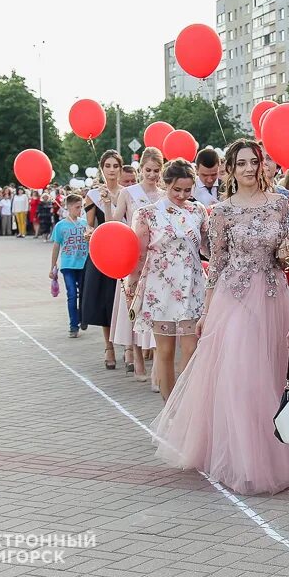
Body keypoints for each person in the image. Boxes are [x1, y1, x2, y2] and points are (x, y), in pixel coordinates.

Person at [151, 140, 289, 495]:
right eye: (241, 163)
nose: (248, 168)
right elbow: (217, 264)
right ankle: (244, 458)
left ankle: (277, 449)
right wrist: (207, 311)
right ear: (230, 169)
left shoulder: (279, 203)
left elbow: (282, 257)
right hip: (235, 299)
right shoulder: (221, 212)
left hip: (274, 296)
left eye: (253, 162)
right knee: (242, 375)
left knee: (272, 375)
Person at [126, 159, 209, 402]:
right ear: (166, 184)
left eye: (187, 190)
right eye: (176, 189)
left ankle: (184, 404)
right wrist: (132, 287)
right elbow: (139, 255)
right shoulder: (148, 214)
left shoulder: (198, 211)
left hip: (192, 285)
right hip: (160, 288)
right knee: (164, 350)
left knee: (192, 348)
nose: (182, 195)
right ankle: (168, 406)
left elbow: (207, 248)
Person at [111, 148, 165, 379]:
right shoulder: (128, 193)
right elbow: (116, 223)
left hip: (157, 260)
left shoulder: (165, 194)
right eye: (148, 170)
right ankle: (137, 359)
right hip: (133, 259)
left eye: (156, 170)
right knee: (133, 308)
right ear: (141, 168)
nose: (152, 174)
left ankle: (157, 369)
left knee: (156, 309)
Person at [80, 150, 124, 369]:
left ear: (121, 168)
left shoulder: (127, 193)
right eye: (108, 166)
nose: (112, 170)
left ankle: (130, 348)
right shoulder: (93, 195)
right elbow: (89, 224)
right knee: (105, 300)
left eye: (115, 166)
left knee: (123, 300)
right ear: (102, 168)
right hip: (103, 253)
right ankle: (109, 347)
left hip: (124, 252)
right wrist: (90, 233)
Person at [49, 194, 89, 338]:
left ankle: (83, 317)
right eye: (77, 207)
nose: (80, 210)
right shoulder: (60, 226)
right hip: (68, 265)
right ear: (69, 207)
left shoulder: (85, 224)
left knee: (84, 294)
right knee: (72, 294)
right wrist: (53, 266)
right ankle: (73, 325)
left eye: (81, 207)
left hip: (83, 264)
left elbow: (92, 242)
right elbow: (56, 246)